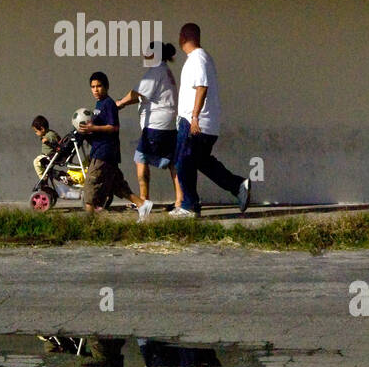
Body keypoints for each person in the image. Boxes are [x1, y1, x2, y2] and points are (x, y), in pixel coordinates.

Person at [171, 23, 251, 218]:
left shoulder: (197, 58)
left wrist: (194, 117)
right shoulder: (201, 58)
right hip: (206, 124)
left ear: (183, 37)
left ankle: (190, 206)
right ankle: (237, 185)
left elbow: (202, 87)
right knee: (202, 162)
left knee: (182, 163)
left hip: (194, 123)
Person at [77, 71, 153, 221]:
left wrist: (93, 128)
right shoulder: (99, 104)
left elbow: (113, 127)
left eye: (99, 86)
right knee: (117, 185)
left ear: (106, 87)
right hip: (103, 151)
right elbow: (100, 127)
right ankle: (142, 204)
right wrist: (88, 131)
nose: (96, 90)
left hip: (104, 152)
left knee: (90, 186)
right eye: (93, 87)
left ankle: (88, 223)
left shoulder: (109, 104)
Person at [116, 42, 182, 209]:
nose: (144, 56)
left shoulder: (155, 72)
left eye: (147, 53)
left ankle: (144, 200)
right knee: (172, 162)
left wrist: (120, 103)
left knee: (140, 158)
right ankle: (180, 200)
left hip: (156, 125)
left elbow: (137, 93)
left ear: (154, 55)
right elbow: (144, 96)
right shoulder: (165, 71)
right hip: (169, 124)